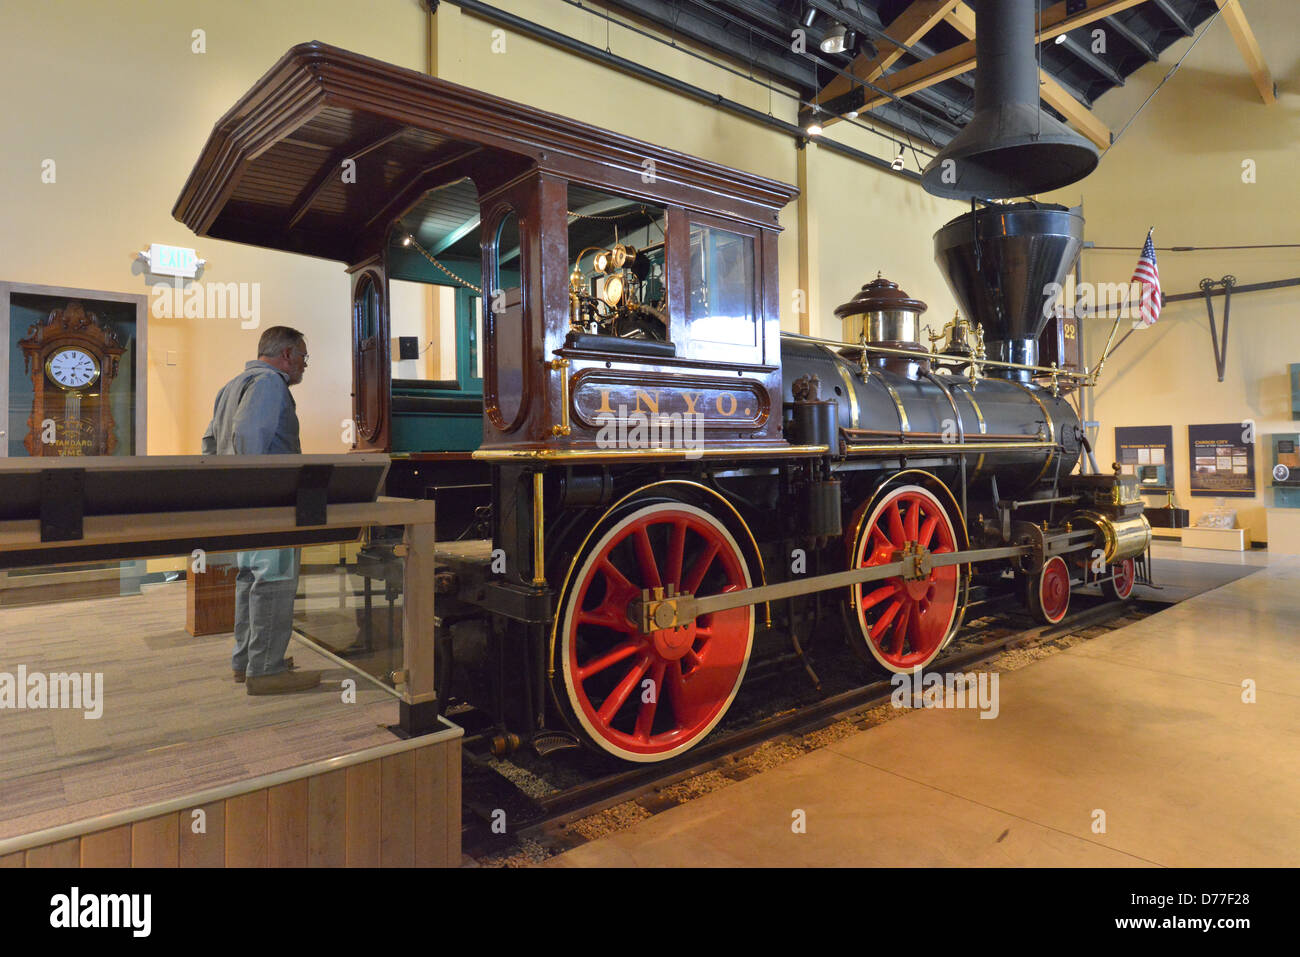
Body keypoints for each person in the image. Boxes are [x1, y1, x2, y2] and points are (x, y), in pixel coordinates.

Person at [202, 326, 320, 695]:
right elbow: (249, 435)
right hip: (272, 505)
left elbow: (209, 444)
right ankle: (266, 670)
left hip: (245, 506)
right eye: (302, 356)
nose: (304, 365)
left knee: (249, 578)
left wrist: (232, 493)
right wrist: (262, 491)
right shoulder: (270, 383)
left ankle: (247, 661)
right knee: (275, 581)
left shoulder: (232, 385)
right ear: (286, 354)